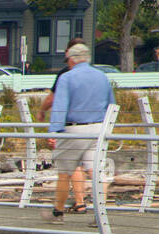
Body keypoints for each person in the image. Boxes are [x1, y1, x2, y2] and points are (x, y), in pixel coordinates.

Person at [44, 42, 113, 222]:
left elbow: (60, 106)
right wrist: (108, 128)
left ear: (72, 60)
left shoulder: (67, 77)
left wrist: (54, 132)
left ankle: (58, 212)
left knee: (65, 172)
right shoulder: (102, 77)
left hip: (74, 129)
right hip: (98, 129)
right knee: (96, 171)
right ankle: (100, 215)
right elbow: (111, 104)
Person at [38, 40, 87, 212]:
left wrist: (43, 112)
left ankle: (61, 209)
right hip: (93, 127)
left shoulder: (66, 75)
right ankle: (86, 205)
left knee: (69, 167)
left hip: (71, 125)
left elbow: (55, 101)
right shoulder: (94, 74)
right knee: (86, 166)